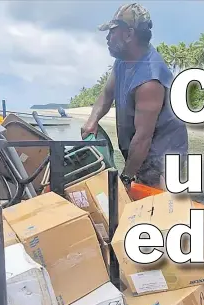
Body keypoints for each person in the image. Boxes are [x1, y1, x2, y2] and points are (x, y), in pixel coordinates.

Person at [81, 3, 188, 190]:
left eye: (112, 31)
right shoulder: (122, 60)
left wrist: (126, 177)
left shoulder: (149, 80)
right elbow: (107, 94)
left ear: (129, 34)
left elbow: (143, 138)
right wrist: (92, 120)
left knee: (154, 203)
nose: (107, 37)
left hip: (162, 156)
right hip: (143, 147)